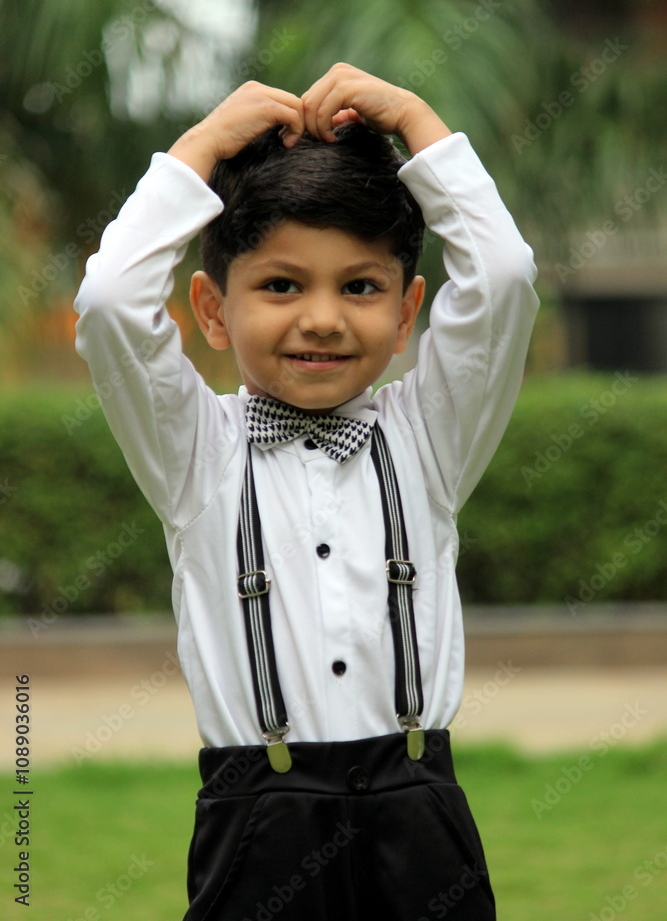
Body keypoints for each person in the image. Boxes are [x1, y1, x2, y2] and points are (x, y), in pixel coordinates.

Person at [74, 62, 539, 920]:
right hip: (258, 819)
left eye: (359, 287)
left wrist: (416, 117)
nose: (321, 318)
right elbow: (108, 303)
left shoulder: (430, 434)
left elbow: (503, 276)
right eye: (281, 285)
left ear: (407, 316)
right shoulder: (192, 452)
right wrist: (200, 150)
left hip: (419, 809)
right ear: (212, 312)